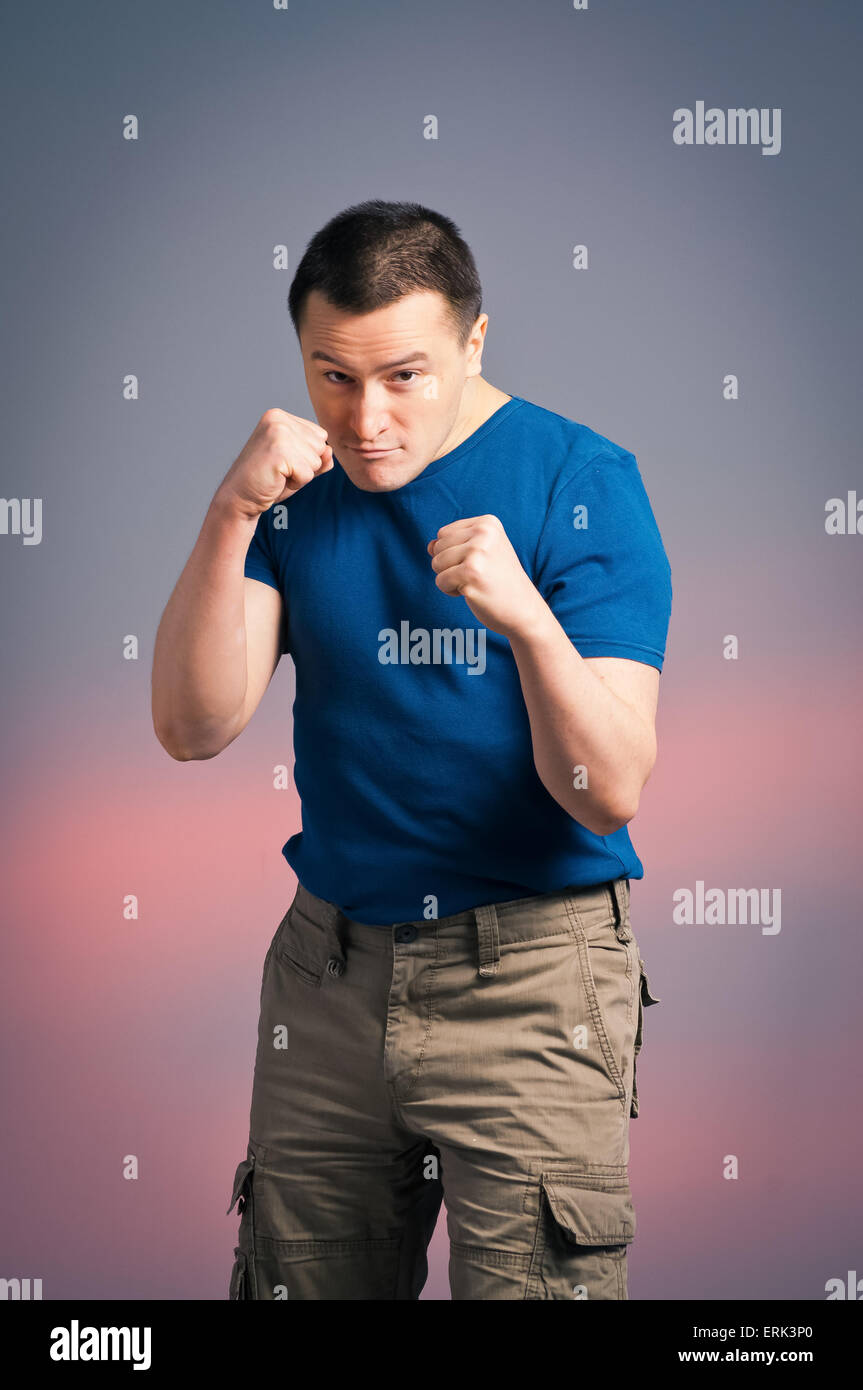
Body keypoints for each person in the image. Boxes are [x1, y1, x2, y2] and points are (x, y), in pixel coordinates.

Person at [151, 199, 670, 1301]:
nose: (365, 418)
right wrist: (229, 512)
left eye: (403, 376)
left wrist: (526, 619)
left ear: (474, 343)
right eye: (331, 375)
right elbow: (193, 728)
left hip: (531, 976)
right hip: (329, 975)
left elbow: (606, 788)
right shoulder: (289, 497)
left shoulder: (578, 481)